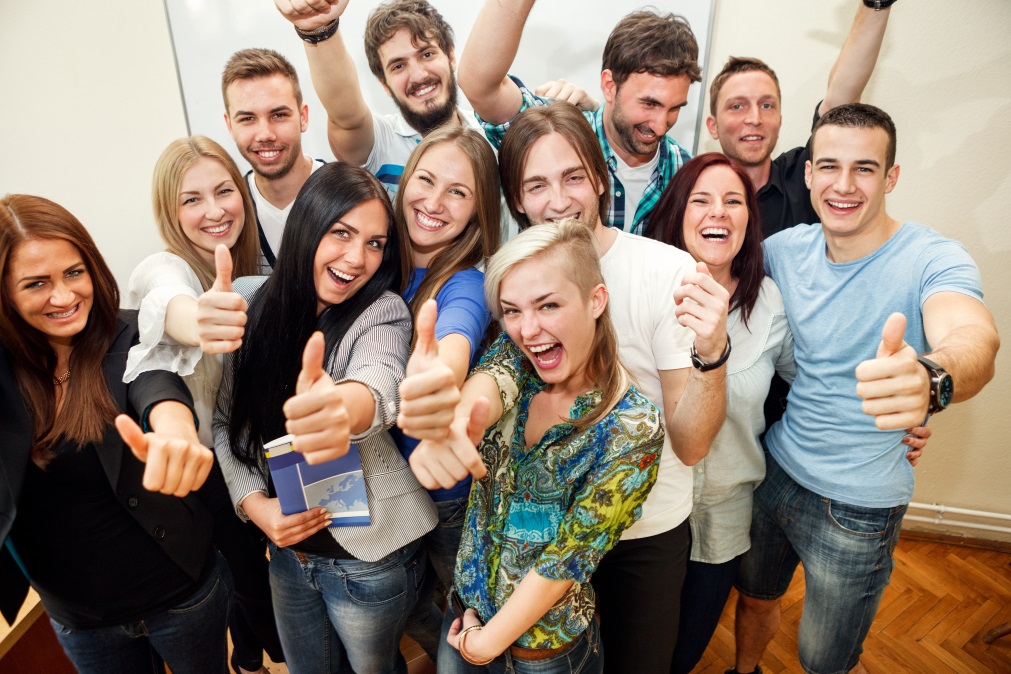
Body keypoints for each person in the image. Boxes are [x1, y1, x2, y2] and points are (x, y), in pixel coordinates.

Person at [403, 101, 728, 673]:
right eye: (536, 185)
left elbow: (692, 443)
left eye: (573, 176)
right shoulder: (518, 276)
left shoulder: (667, 272)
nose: (557, 200)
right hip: (525, 532)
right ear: (517, 201)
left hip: (642, 530)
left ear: (600, 179)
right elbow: (499, 372)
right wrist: (459, 418)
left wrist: (712, 355)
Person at [729, 104, 1000, 674]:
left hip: (859, 507)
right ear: (808, 175)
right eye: (828, 166)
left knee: (823, 659)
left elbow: (975, 336)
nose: (844, 185)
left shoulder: (931, 257)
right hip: (775, 473)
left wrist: (933, 379)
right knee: (753, 602)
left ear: (892, 177)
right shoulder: (783, 252)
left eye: (865, 169)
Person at [409, 219, 664, 671]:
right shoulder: (519, 357)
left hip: (544, 654)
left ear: (596, 300)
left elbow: (565, 561)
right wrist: (456, 424)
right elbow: (487, 385)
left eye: (548, 305)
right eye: (511, 310)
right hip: (465, 614)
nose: (528, 330)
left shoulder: (633, 427)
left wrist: (486, 646)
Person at [212, 161, 437, 674]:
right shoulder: (247, 300)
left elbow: (378, 386)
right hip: (290, 552)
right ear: (308, 225)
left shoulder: (381, 311)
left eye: (376, 243)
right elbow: (227, 423)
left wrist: (338, 409)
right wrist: (256, 507)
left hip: (370, 558)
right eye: (341, 233)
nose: (357, 258)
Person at [0, 195, 227, 673]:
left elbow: (156, 381)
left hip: (180, 593)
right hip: (81, 618)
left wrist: (175, 428)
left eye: (73, 273)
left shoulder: (128, 333)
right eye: (37, 283)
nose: (63, 297)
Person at [123, 136, 283, 674]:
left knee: (248, 577)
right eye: (192, 199)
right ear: (169, 212)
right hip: (199, 470)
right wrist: (204, 320)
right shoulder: (161, 267)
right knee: (247, 578)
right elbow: (169, 302)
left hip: (249, 449)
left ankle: (250, 654)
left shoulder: (256, 262)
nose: (214, 210)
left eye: (224, 191)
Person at [644, 153, 795, 673]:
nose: (719, 213)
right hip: (643, 512)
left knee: (683, 655)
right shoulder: (643, 292)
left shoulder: (771, 303)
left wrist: (897, 420)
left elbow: (814, 385)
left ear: (750, 220)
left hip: (723, 516)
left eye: (734, 201)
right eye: (701, 199)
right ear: (676, 213)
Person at [271, 0, 598, 199]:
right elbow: (347, 115)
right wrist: (320, 30)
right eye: (398, 66)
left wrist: (592, 115)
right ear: (384, 85)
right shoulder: (381, 144)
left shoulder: (495, 133)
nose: (417, 75)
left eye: (426, 54)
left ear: (451, 57)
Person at [390, 124, 500, 659]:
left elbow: (457, 334)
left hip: (447, 496)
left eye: (457, 192)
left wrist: (439, 378)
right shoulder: (373, 261)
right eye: (426, 181)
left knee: (465, 611)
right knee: (400, 600)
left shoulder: (466, 284)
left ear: (479, 213)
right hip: (386, 485)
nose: (433, 202)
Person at [458, 1, 699, 235]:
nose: (659, 126)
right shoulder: (557, 135)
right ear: (609, 85)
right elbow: (479, 84)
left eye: (674, 108)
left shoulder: (687, 173)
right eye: (649, 104)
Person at [706, 2, 896, 239]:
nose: (755, 118)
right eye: (737, 106)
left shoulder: (806, 176)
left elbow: (841, 98)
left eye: (767, 105)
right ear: (713, 126)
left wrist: (875, 5)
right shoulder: (697, 192)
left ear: (780, 120)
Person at [221, 48, 327, 270]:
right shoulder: (223, 215)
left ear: (303, 117)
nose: (265, 134)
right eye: (248, 118)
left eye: (278, 115)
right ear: (230, 126)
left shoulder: (352, 197)